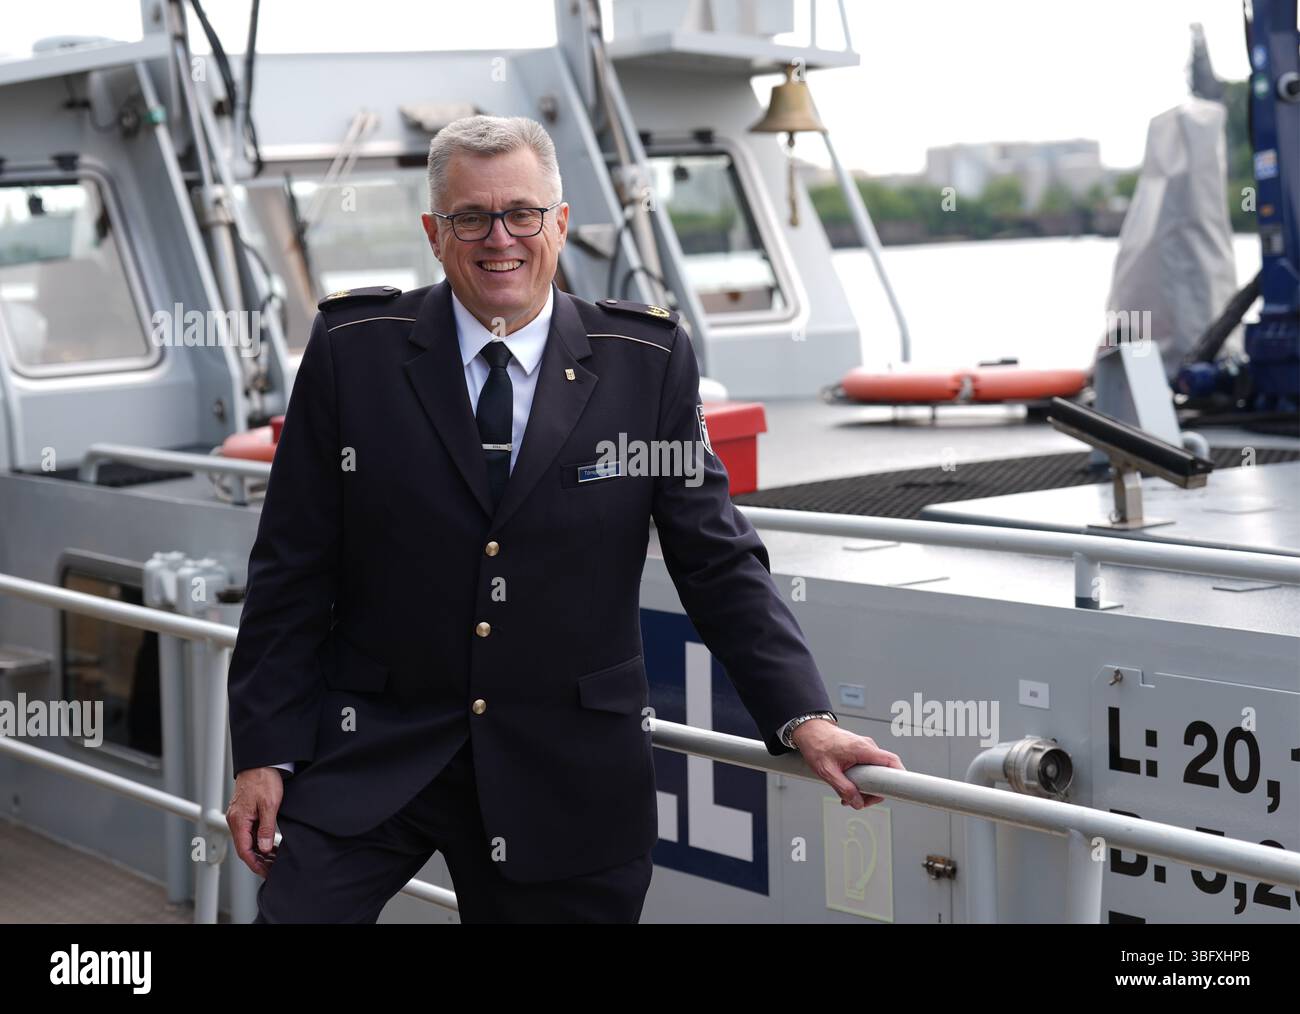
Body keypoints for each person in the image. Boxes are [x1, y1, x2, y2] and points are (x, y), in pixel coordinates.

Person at [225, 114, 903, 923]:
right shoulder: (352, 352)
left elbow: (715, 560)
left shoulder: (644, 365)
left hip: (566, 766)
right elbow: (291, 568)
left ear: (561, 223)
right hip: (376, 747)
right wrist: (263, 753)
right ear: (434, 234)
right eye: (470, 218)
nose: (498, 238)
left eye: (521, 213)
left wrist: (805, 717)